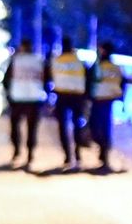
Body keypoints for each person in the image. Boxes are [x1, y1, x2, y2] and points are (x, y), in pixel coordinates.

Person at [2, 38, 47, 169]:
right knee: (32, 128)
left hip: (18, 98)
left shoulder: (16, 60)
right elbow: (46, 79)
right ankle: (30, 153)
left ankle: (17, 151)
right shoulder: (38, 60)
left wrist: (9, 94)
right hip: (34, 98)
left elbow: (6, 80)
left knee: (15, 127)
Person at [50, 35, 90, 170]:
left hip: (61, 95)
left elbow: (49, 77)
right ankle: (77, 155)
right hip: (77, 96)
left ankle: (67, 156)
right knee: (77, 125)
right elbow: (87, 78)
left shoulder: (56, 60)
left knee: (62, 127)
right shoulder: (79, 61)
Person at [88, 42, 124, 172]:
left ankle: (104, 157)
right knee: (103, 129)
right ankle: (104, 156)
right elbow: (122, 83)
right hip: (109, 99)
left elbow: (91, 79)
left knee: (97, 129)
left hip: (100, 100)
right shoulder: (115, 67)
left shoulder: (99, 66)